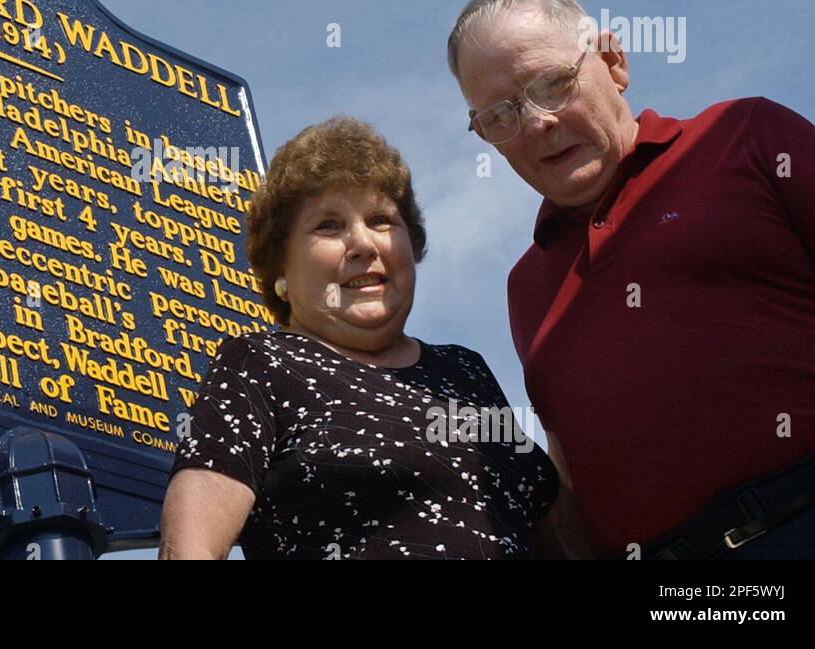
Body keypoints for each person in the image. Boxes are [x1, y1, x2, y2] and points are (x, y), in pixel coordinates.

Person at [447, 0, 815, 559]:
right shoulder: (525, 287)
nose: (535, 123)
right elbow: (571, 474)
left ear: (613, 61)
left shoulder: (745, 137)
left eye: (551, 84)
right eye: (499, 116)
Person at [157, 116, 560, 559]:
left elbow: (550, 531)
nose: (363, 243)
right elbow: (191, 548)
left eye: (381, 220)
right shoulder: (258, 363)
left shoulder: (465, 370)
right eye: (328, 226)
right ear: (281, 271)